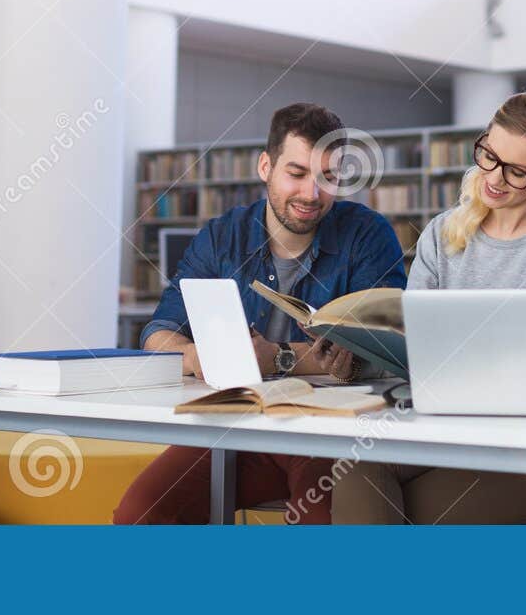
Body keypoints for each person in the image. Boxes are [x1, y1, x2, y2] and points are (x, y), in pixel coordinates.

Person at [113, 102, 406, 525]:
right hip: (234, 425)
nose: (312, 193)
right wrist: (200, 357)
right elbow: (159, 331)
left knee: (326, 522)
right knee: (140, 514)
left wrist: (279, 357)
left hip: (326, 436)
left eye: (329, 177)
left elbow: (383, 347)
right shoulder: (221, 236)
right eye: (297, 173)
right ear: (265, 166)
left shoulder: (368, 235)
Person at [332, 90, 526, 524]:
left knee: (406, 512)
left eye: (516, 172)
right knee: (353, 468)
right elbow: (408, 342)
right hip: (436, 427)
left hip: (522, 445)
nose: (493, 178)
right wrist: (359, 357)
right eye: (489, 156)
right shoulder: (442, 232)